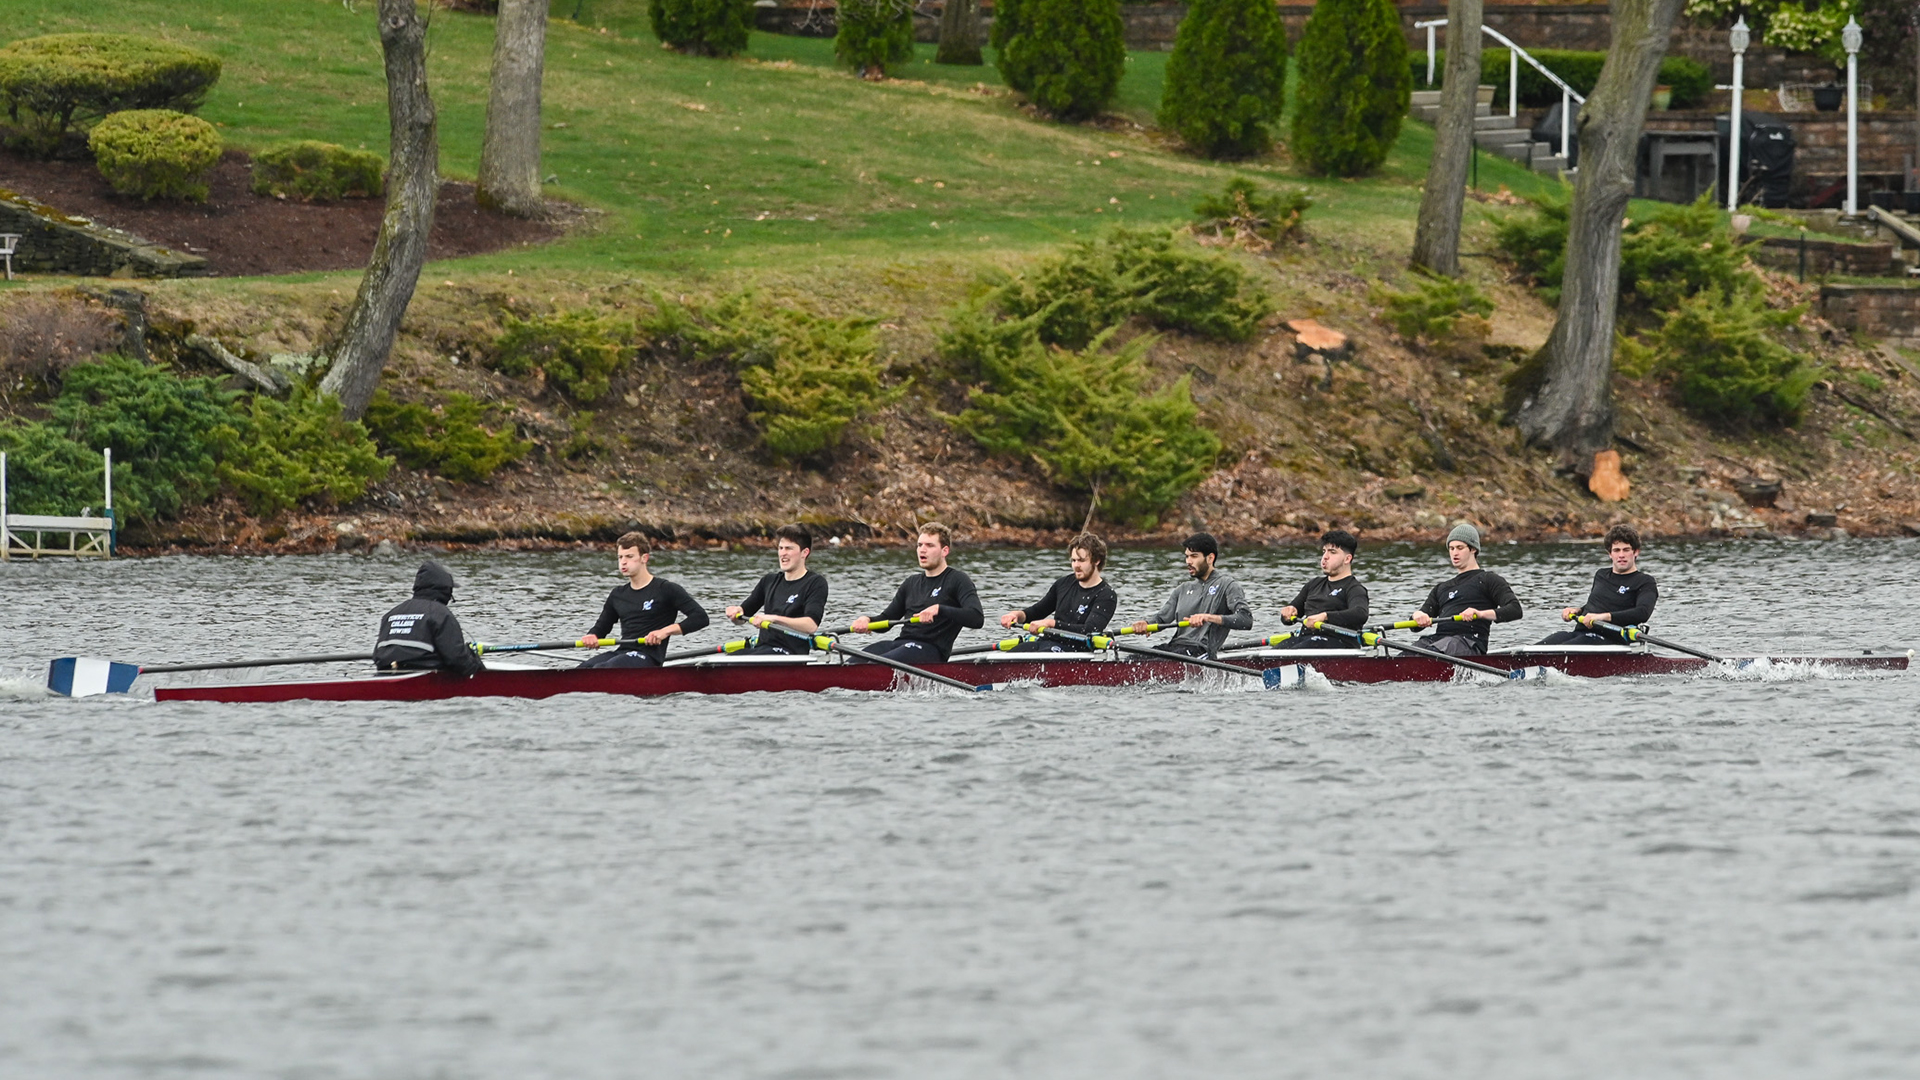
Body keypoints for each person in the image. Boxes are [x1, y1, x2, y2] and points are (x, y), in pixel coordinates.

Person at [849, 522, 984, 663]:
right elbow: (887, 619)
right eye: (919, 545)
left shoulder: (958, 580)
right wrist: (867, 620)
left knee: (875, 665)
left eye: (929, 545)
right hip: (902, 645)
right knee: (849, 665)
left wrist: (939, 609)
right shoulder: (911, 583)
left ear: (944, 551)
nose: (922, 550)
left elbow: (977, 618)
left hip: (931, 650)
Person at [579, 532, 710, 668]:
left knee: (604, 668)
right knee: (582, 669)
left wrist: (664, 632)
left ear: (644, 558)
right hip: (623, 653)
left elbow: (700, 617)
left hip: (648, 657)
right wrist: (592, 635)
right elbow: (602, 627)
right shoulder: (617, 594)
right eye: (620, 557)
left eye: (629, 556)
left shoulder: (666, 589)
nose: (623, 562)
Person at [1129, 533, 1253, 659]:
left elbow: (1246, 620)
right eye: (1187, 556)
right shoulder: (1182, 589)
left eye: (1194, 556)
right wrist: (1145, 624)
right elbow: (1160, 619)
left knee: (1160, 662)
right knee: (1133, 659)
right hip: (1175, 647)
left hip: (1201, 650)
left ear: (1210, 558)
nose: (1188, 561)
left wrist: (1209, 617)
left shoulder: (1228, 585)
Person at [1409, 522, 1523, 656]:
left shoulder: (1488, 579)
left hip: (1469, 643)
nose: (1454, 553)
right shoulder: (1441, 588)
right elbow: (1414, 627)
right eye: (1451, 548)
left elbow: (1515, 610)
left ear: (1473, 549)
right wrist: (1417, 616)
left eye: (1460, 548)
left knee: (1431, 652)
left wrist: (1480, 614)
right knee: (1409, 653)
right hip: (1439, 642)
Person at [1535, 524, 1658, 646]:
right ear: (1610, 554)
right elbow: (1597, 605)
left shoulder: (1645, 581)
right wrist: (1577, 610)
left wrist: (1603, 617)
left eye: (1626, 550)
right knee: (1541, 646)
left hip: (1610, 640)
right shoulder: (1601, 575)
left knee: (1565, 648)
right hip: (1581, 633)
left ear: (1636, 552)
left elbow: (1642, 612)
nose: (1621, 555)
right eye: (1616, 550)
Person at [998, 532, 1118, 652]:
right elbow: (1037, 611)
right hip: (1047, 642)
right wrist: (1017, 615)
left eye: (1081, 560)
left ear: (1096, 561)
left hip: (1075, 650)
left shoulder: (1106, 595)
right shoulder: (1063, 584)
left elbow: (1089, 630)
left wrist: (1052, 624)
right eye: (1073, 560)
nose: (1076, 566)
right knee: (1007, 656)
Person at [726, 523, 830, 655]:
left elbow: (810, 626)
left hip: (790, 654)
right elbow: (742, 617)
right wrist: (735, 613)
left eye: (789, 548)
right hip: (763, 648)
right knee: (721, 662)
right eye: (780, 548)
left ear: (804, 552)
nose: (783, 553)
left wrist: (774, 619)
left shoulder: (815, 583)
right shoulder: (769, 581)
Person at [374, 560, 484, 676]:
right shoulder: (441, 614)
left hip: (385, 675)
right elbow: (459, 661)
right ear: (445, 590)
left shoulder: (390, 615)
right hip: (424, 678)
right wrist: (474, 660)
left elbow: (377, 655)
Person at [1276, 530, 1370, 649]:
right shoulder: (1313, 584)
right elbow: (1289, 620)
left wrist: (1325, 617)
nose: (1325, 557)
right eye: (1324, 551)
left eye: (1332, 552)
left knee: (1300, 649)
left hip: (1339, 644)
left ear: (1347, 559)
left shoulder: (1354, 588)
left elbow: (1360, 614)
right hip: (1308, 640)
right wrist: (1288, 612)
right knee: (1274, 652)